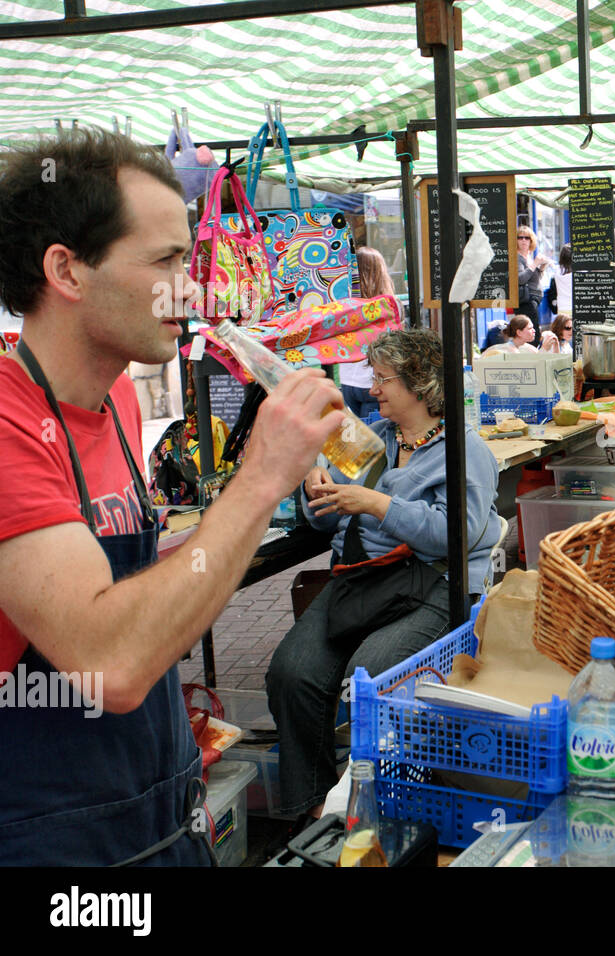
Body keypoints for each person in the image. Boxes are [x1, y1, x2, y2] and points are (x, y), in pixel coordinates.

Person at [0, 128, 344, 865]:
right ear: (66, 269)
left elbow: (133, 590)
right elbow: (110, 665)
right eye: (165, 261)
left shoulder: (119, 398)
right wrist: (260, 477)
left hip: (160, 809)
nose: (190, 288)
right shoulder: (6, 425)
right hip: (53, 843)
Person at [269, 328, 501, 821]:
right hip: (361, 579)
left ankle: (378, 805)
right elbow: (327, 518)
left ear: (420, 384)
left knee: (371, 677)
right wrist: (319, 492)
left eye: (383, 379)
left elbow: (455, 534)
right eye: (373, 378)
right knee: (292, 672)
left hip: (431, 583)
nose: (372, 389)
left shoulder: (466, 449)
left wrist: (377, 504)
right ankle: (316, 806)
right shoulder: (366, 437)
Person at [339, 246, 395, 420]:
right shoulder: (389, 306)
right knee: (376, 439)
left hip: (347, 382)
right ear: (381, 272)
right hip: (372, 382)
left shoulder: (345, 306)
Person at [515, 225, 551, 334]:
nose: (523, 240)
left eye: (527, 238)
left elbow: (535, 279)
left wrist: (542, 267)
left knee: (534, 331)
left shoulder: (529, 257)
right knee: (531, 333)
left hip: (534, 299)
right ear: (516, 240)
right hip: (526, 300)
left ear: (532, 241)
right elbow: (520, 279)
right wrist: (535, 263)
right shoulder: (518, 258)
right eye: (520, 237)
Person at [552, 243, 574, 315]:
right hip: (576, 307)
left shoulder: (557, 271)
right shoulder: (580, 272)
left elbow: (552, 264)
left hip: (562, 307)